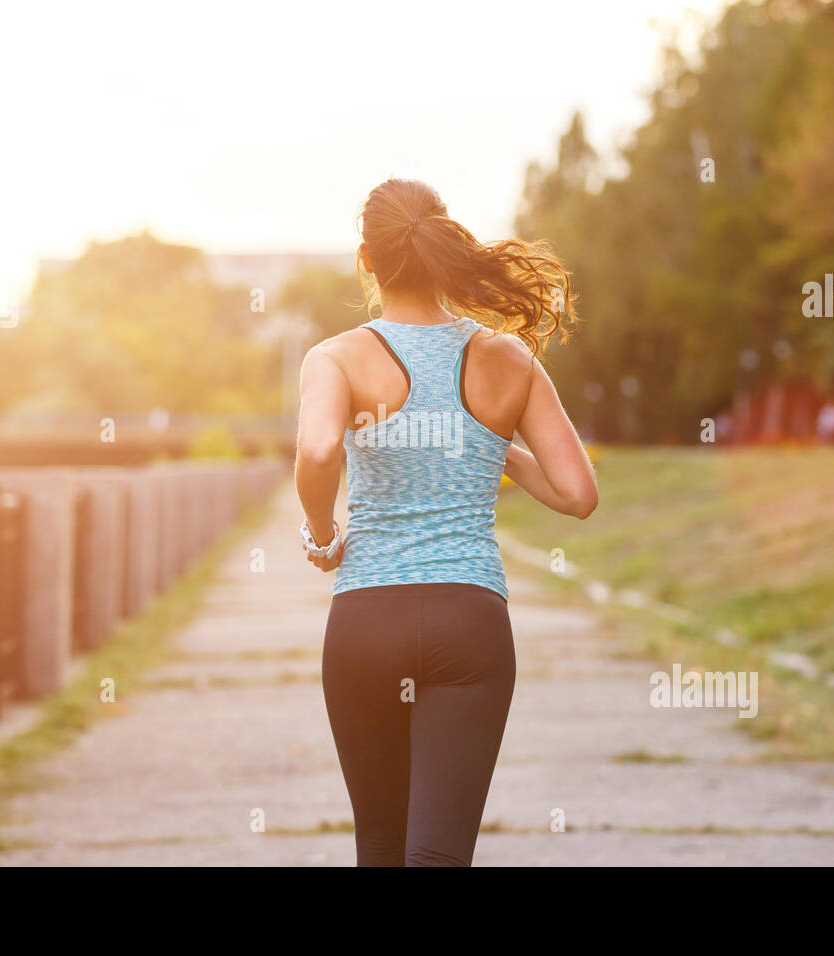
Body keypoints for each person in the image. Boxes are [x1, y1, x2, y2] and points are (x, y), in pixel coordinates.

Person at [293, 178, 598, 866]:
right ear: (443, 249)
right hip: (470, 620)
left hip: (366, 620)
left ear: (366, 260)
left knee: (379, 845)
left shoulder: (337, 357)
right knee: (438, 857)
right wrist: (498, 448)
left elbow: (315, 451)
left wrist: (322, 534)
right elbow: (579, 494)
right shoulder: (508, 358)